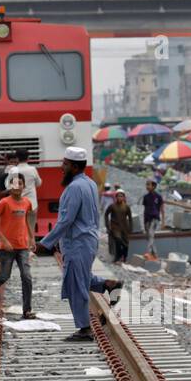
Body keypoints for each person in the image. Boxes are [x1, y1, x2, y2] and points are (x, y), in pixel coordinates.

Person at [37, 147, 122, 343]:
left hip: (78, 241)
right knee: (79, 277)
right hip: (86, 240)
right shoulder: (90, 183)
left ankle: (85, 330)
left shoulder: (74, 188)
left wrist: (46, 243)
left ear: (74, 167)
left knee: (77, 284)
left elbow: (66, 220)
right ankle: (110, 286)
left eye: (65, 164)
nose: (61, 167)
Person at [0, 174, 36, 319]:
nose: (17, 186)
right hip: (7, 248)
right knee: (4, 276)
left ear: (23, 186)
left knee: (26, 277)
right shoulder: (4, 202)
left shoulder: (27, 202)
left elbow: (27, 220)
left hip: (22, 247)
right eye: (14, 184)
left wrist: (32, 238)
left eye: (20, 183)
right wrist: (4, 240)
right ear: (10, 186)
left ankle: (27, 310)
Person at [11, 147, 41, 242]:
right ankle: (29, 251)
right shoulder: (32, 169)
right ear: (28, 158)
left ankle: (22, 251)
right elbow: (39, 183)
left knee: (19, 229)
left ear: (17, 158)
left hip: (18, 205)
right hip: (32, 205)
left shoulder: (14, 170)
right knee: (30, 229)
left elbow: (14, 187)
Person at [105, 187, 133, 263]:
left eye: (121, 196)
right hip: (115, 227)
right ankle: (118, 256)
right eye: (118, 196)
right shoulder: (112, 206)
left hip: (124, 228)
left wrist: (131, 228)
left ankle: (124, 257)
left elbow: (130, 218)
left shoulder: (126, 207)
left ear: (124, 197)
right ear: (116, 197)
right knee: (118, 240)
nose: (120, 197)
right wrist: (108, 226)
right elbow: (106, 215)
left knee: (126, 244)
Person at [142, 179, 164, 257]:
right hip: (147, 218)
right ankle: (155, 254)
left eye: (149, 185)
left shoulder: (158, 196)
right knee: (149, 236)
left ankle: (148, 252)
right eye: (146, 184)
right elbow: (145, 208)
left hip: (155, 218)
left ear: (154, 186)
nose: (147, 186)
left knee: (151, 234)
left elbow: (162, 209)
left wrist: (163, 222)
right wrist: (144, 220)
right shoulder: (145, 197)